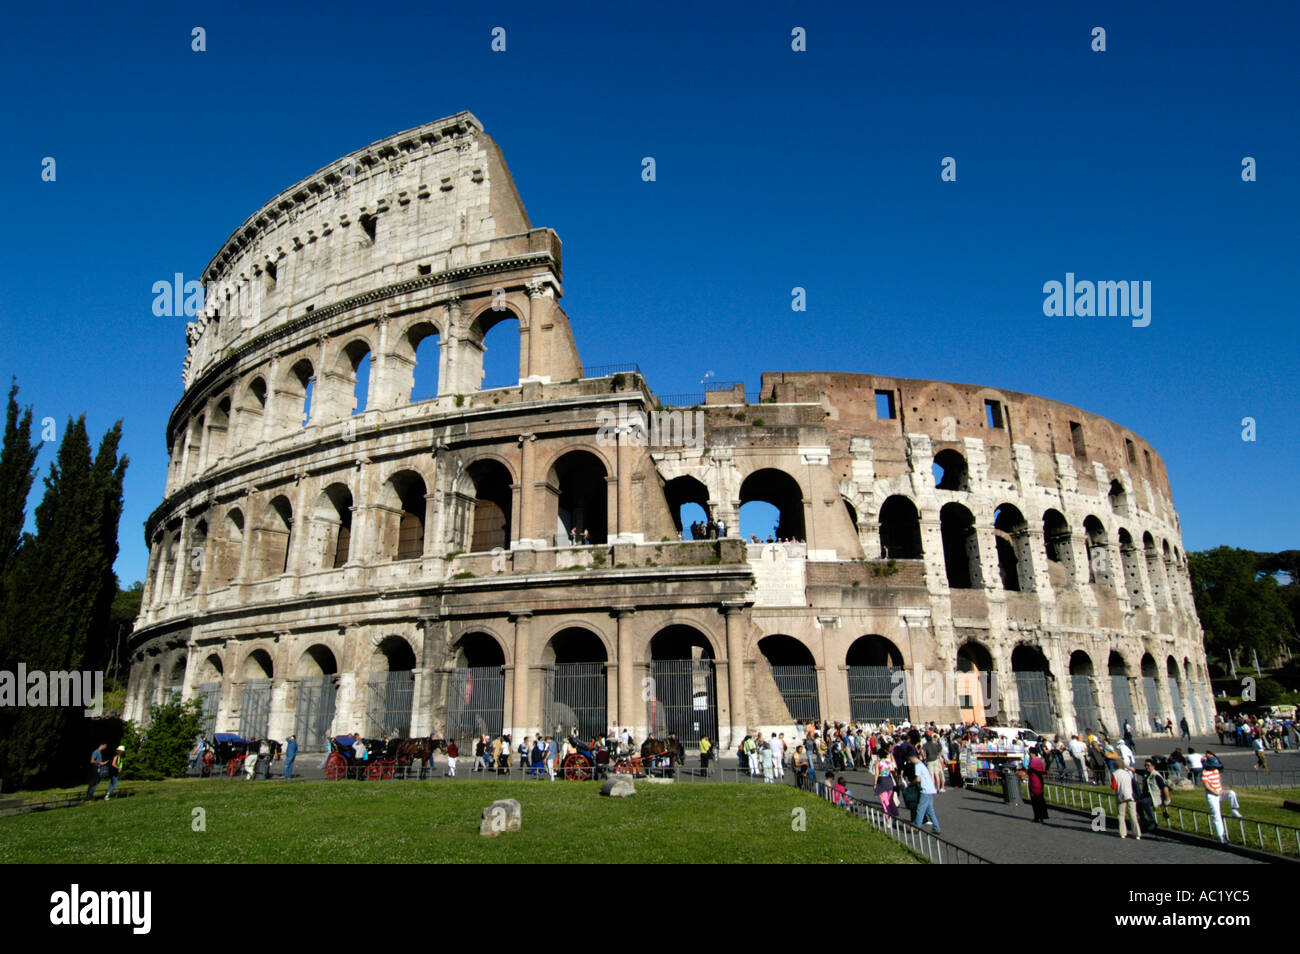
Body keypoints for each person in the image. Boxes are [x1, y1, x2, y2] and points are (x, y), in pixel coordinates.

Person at [908, 754, 941, 833]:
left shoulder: (918, 766)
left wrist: (911, 783)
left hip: (925, 790)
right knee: (930, 810)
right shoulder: (921, 764)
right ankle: (936, 827)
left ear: (912, 758)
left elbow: (918, 779)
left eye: (910, 760)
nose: (910, 762)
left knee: (920, 809)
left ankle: (917, 827)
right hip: (930, 789)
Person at [1139, 758, 1170, 832]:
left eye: (1148, 765)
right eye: (1145, 765)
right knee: (1137, 804)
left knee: (1144, 802)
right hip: (1147, 796)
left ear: (1153, 766)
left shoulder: (1156, 775)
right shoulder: (1146, 773)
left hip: (1156, 797)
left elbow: (1165, 788)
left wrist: (1167, 799)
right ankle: (1143, 820)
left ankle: (1152, 821)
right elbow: (1135, 770)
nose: (1146, 767)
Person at [1111, 763, 1141, 840]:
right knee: (1133, 815)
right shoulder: (1128, 773)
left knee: (1121, 815)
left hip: (1121, 796)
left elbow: (1114, 786)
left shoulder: (1114, 774)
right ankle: (1137, 833)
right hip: (1131, 795)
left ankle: (1123, 833)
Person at [1027, 746, 1048, 823]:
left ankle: (1037, 816)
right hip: (1040, 782)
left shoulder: (1033, 761)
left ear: (1032, 753)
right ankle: (1041, 816)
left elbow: (1030, 771)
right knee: (1040, 799)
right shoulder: (1039, 760)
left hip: (1034, 782)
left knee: (1035, 801)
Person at [874, 752, 898, 818]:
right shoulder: (889, 762)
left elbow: (876, 774)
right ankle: (895, 813)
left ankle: (888, 817)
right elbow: (894, 772)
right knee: (890, 800)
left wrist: (875, 784)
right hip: (890, 781)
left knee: (884, 800)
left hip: (882, 781)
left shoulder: (878, 763)